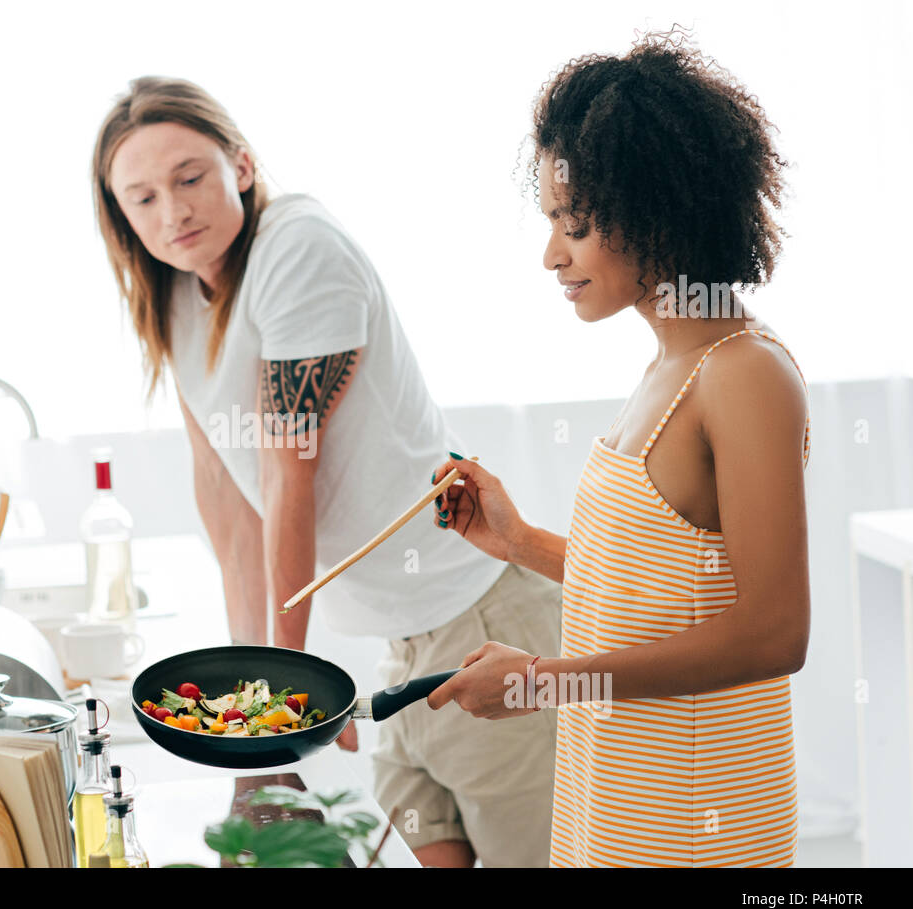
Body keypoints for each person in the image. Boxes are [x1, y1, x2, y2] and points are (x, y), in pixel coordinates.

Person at [92, 77, 562, 867]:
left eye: (189, 177)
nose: (171, 212)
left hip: (483, 620)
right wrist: (255, 708)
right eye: (140, 198)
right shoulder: (173, 294)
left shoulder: (297, 249)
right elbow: (232, 503)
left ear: (240, 164)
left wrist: (276, 716)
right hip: (398, 646)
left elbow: (287, 478)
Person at [426, 32, 810, 867]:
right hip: (620, 795)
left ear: (656, 209)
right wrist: (518, 541)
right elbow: (667, 591)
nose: (552, 254)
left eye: (578, 223)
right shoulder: (668, 367)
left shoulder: (742, 374)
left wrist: (542, 681)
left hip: (692, 818)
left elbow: (776, 632)